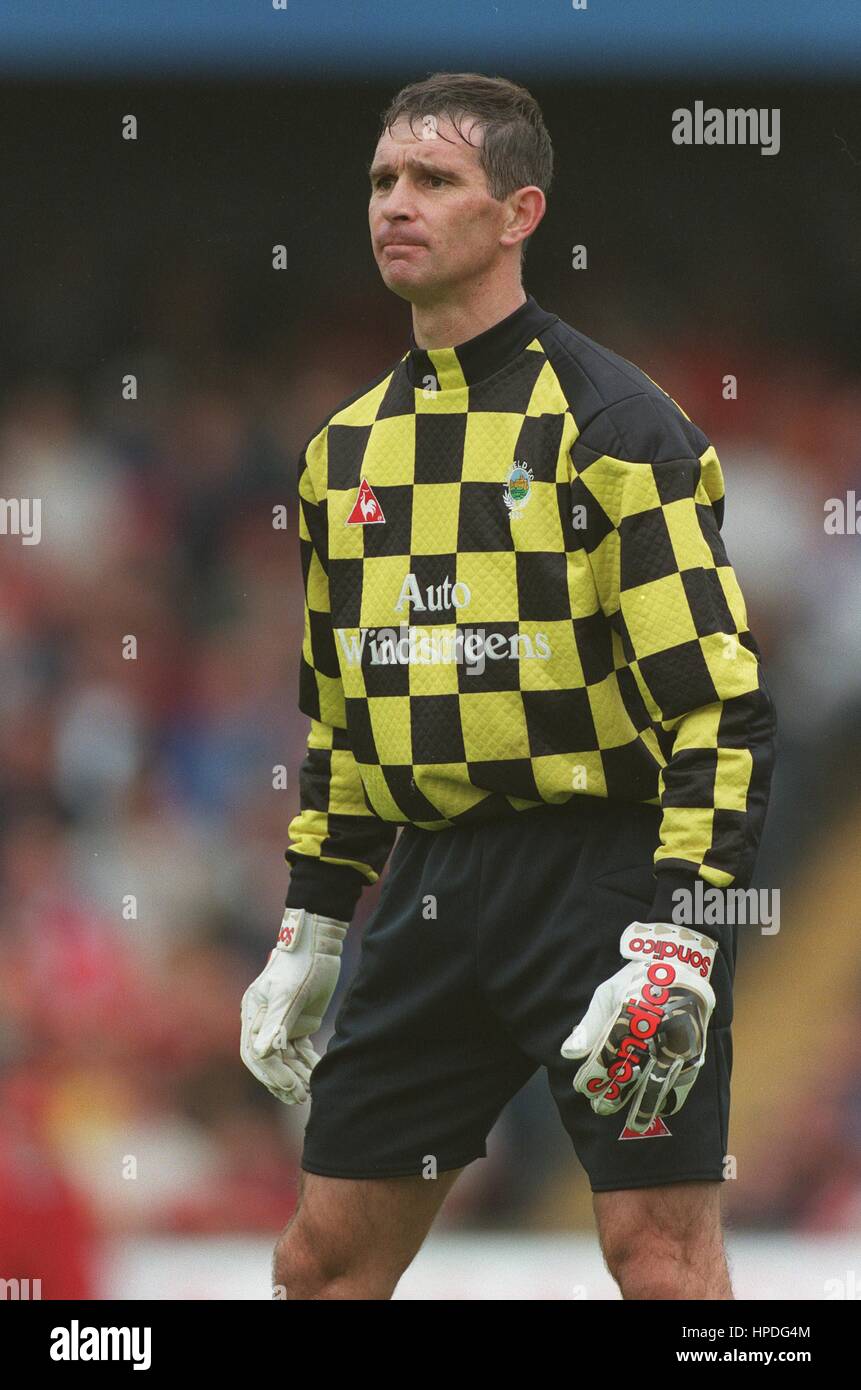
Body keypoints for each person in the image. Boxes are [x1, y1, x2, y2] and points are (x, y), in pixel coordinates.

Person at [240, 71, 776, 1300]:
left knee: (661, 1258)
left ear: (520, 211)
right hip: (432, 889)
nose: (396, 205)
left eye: (434, 180)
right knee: (321, 1263)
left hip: (608, 880)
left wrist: (686, 936)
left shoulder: (616, 424)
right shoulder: (339, 455)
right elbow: (344, 716)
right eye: (382, 180)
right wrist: (314, 922)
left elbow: (720, 702)